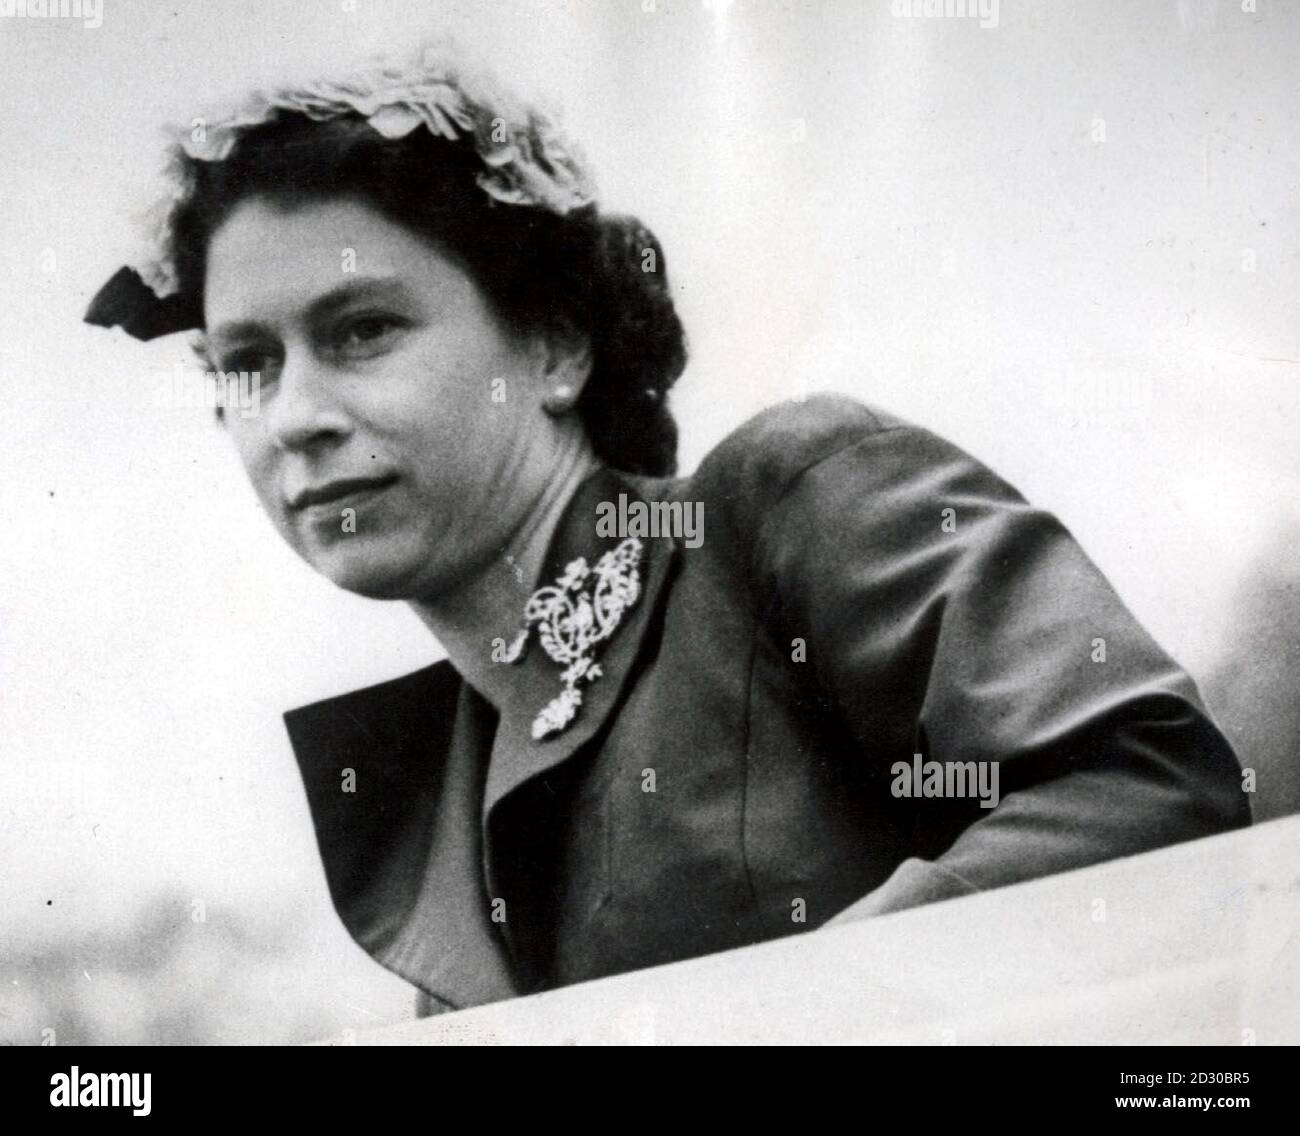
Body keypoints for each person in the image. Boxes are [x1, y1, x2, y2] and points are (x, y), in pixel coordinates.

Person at [85, 45, 1250, 1018]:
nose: (294, 417)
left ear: (552, 347)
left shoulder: (781, 509)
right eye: (247, 364)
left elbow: (1150, 787)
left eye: (362, 329)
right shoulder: (436, 807)